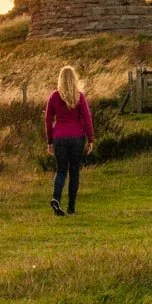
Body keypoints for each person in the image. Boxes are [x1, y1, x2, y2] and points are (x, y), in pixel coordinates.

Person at [44, 65, 94, 216]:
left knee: (61, 170)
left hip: (59, 138)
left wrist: (50, 141)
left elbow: (48, 120)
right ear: (74, 79)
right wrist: (90, 138)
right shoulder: (79, 97)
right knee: (74, 172)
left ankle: (56, 199)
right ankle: (71, 207)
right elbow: (87, 118)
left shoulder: (54, 96)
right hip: (77, 137)